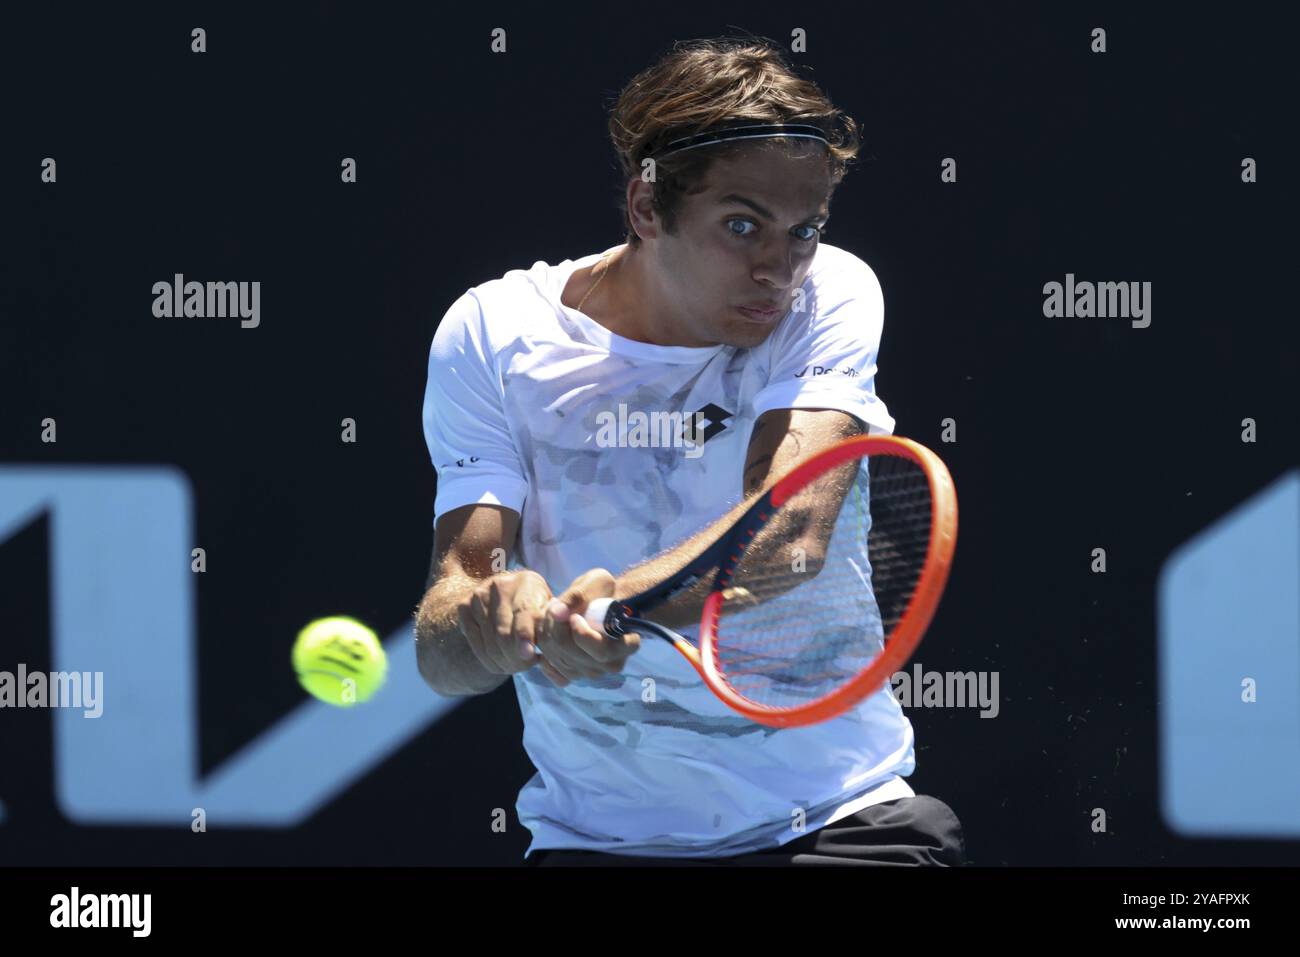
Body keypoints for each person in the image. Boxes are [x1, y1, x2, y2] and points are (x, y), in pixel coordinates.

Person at [414, 37, 965, 867]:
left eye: (803, 229)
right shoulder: (492, 334)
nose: (778, 268)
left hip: (838, 819)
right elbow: (443, 641)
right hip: (596, 842)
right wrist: (493, 625)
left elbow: (789, 532)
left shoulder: (832, 294)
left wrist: (610, 606)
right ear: (646, 208)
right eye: (741, 225)